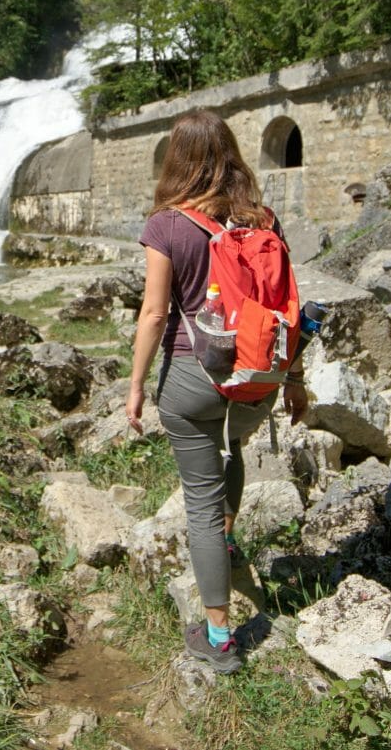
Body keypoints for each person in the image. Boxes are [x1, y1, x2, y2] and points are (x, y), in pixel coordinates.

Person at [124, 109, 308, 673]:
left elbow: (155, 314)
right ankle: (227, 545)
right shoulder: (264, 219)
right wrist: (295, 382)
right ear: (231, 155)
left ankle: (219, 637)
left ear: (177, 159)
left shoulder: (166, 225)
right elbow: (288, 309)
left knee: (199, 501)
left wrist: (134, 387)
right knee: (234, 447)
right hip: (258, 378)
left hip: (193, 378)